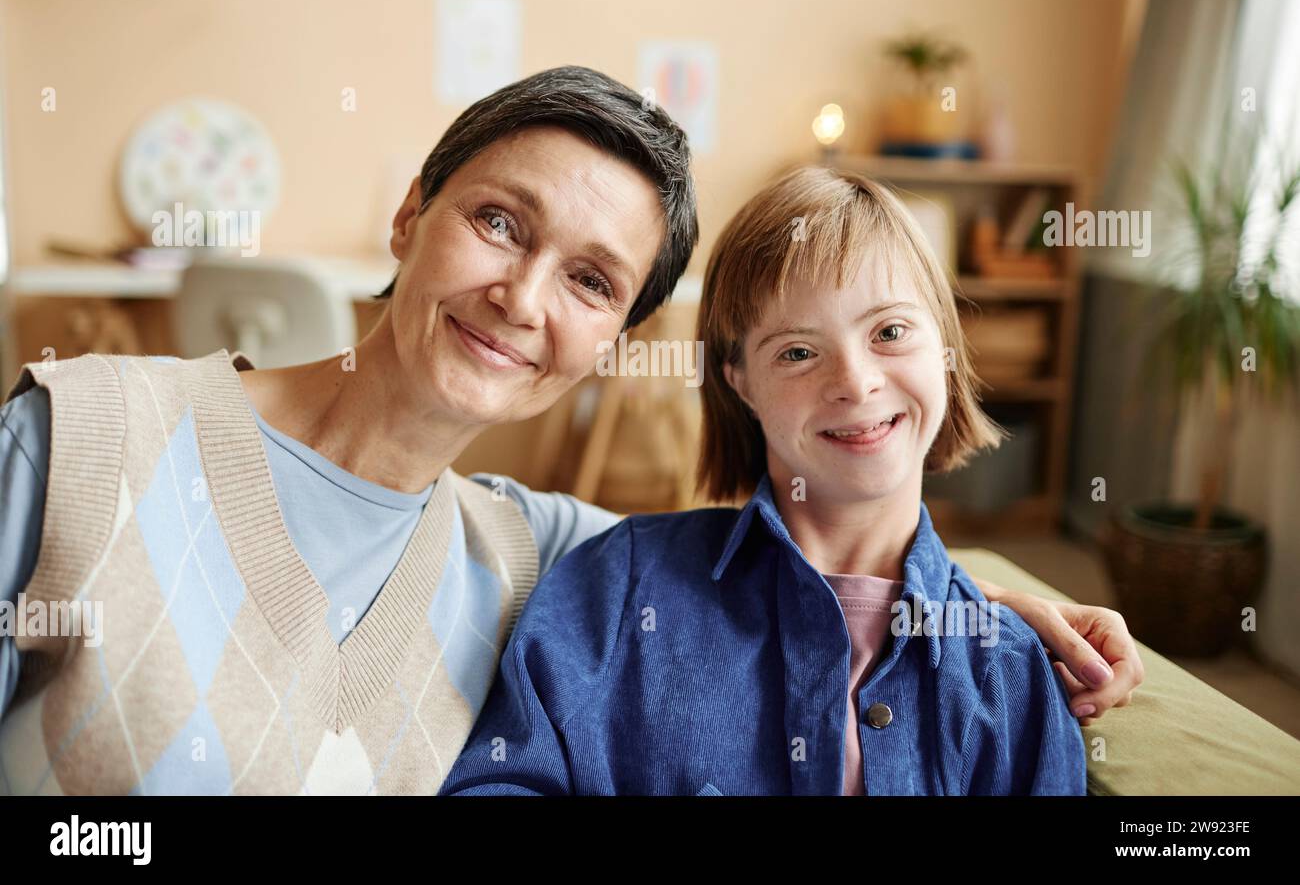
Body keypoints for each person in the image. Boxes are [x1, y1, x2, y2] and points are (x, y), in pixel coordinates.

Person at [0, 68, 1137, 795]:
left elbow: (781, 575)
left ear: (615, 336)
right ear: (411, 215)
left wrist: (976, 604)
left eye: (591, 281)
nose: (525, 297)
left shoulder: (528, 550)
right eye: (499, 221)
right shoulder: (82, 441)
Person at [441, 166, 1098, 795]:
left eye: (890, 331)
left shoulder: (1012, 667)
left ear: (946, 349)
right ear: (741, 384)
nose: (855, 381)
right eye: (798, 352)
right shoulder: (613, 588)